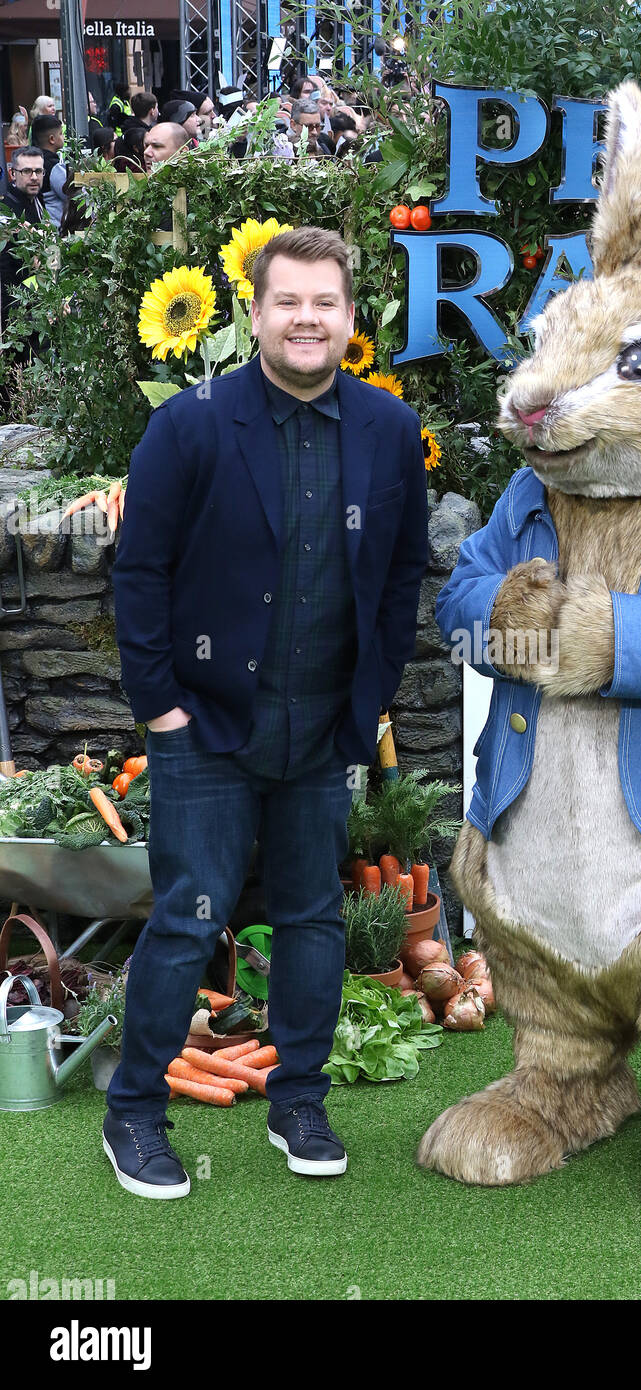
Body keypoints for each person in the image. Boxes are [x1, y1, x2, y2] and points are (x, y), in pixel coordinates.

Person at [105, 225, 428, 1197]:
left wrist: (369, 695)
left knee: (311, 917)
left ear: (348, 317)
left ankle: (300, 1102)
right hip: (203, 725)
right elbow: (140, 570)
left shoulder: (384, 430)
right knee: (185, 916)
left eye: (323, 303)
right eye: (287, 301)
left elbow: (403, 569)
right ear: (254, 312)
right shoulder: (193, 426)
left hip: (320, 726)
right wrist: (159, 706)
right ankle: (132, 1116)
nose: (305, 318)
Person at [0, 145, 45, 412]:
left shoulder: (35, 203)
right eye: (26, 171)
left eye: (38, 170)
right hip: (12, 306)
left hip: (32, 302)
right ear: (12, 173)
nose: (33, 177)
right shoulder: (7, 210)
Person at [30, 114, 67, 229]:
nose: (63, 137)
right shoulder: (53, 167)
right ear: (52, 139)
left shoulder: (30, 160)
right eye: (61, 133)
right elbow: (71, 195)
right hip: (55, 227)